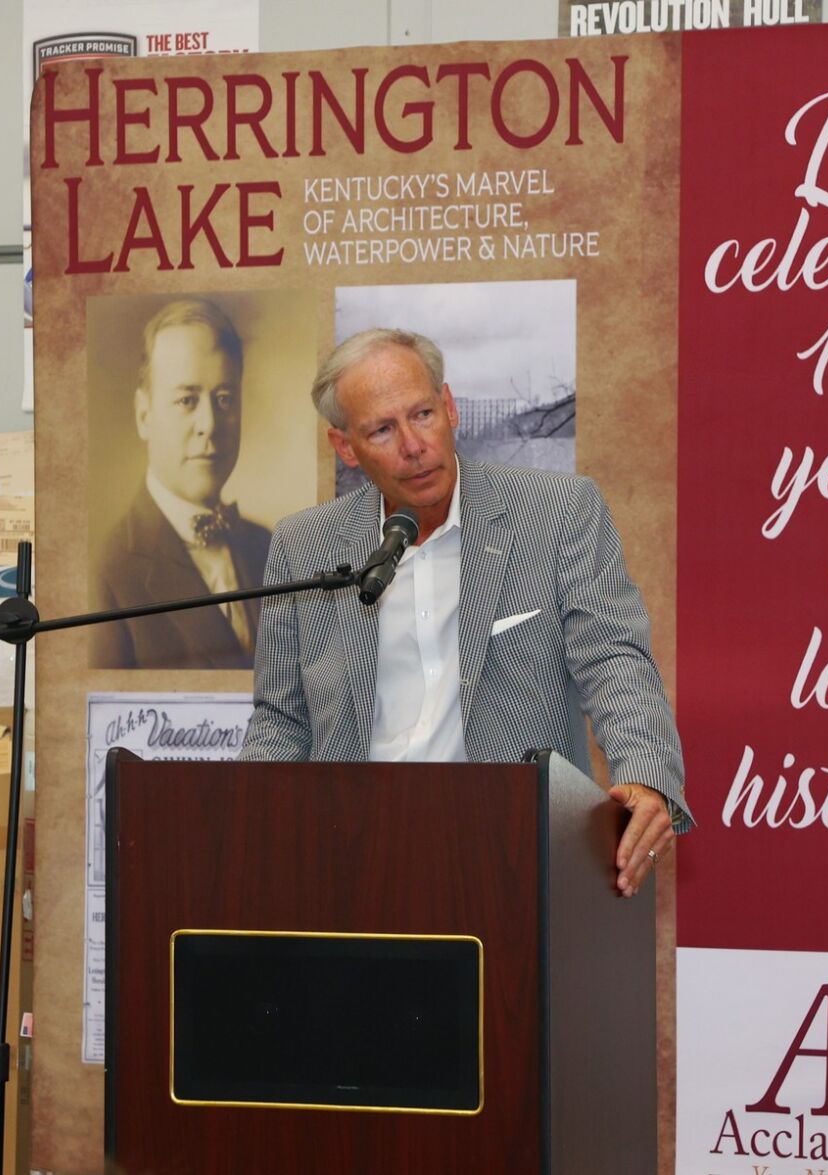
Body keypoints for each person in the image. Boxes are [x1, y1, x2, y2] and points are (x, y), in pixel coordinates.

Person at [240, 328, 691, 896]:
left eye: (423, 414)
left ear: (450, 407)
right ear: (345, 447)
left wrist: (646, 778)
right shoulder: (305, 547)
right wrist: (247, 832)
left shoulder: (556, 514)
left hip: (512, 860)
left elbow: (615, 663)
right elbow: (282, 719)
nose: (413, 445)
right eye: (382, 429)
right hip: (347, 863)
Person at [92, 298, 270, 669]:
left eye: (224, 399)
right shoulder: (106, 575)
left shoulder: (268, 547)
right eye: (187, 400)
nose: (209, 423)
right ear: (144, 415)